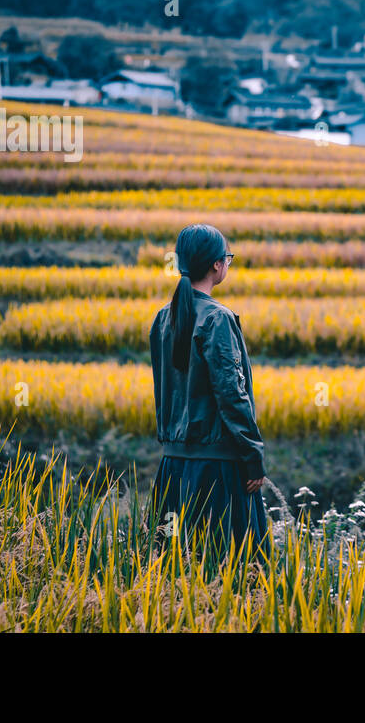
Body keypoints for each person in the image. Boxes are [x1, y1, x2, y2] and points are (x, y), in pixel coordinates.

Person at [149, 223, 270, 563]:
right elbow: (232, 394)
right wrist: (253, 455)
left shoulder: (162, 319)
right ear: (218, 265)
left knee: (170, 566)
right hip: (218, 472)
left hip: (173, 471)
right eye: (227, 258)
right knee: (234, 569)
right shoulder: (218, 319)